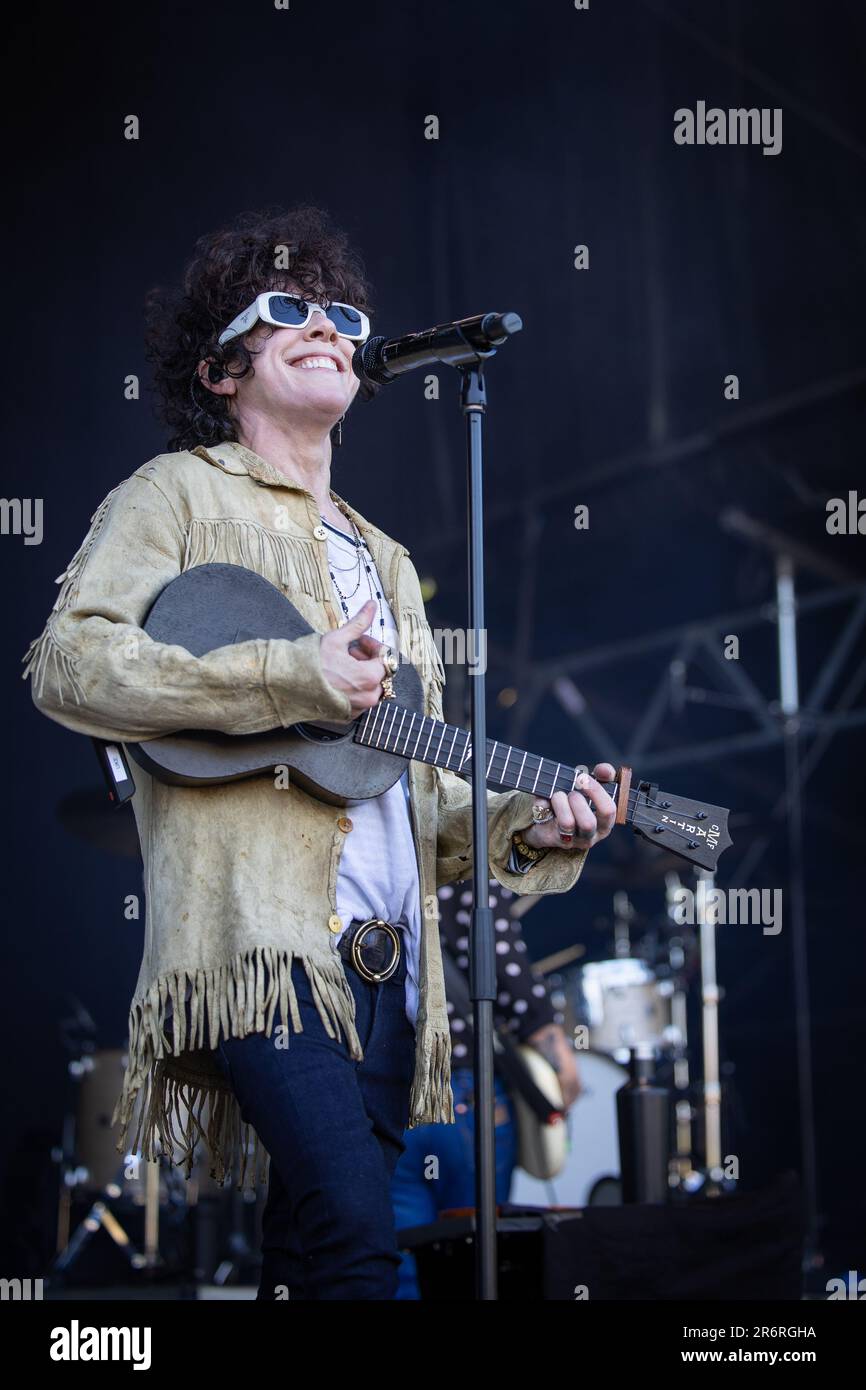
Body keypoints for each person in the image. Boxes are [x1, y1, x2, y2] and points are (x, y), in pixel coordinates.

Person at [23, 206, 616, 1300]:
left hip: (391, 973)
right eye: (286, 308)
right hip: (265, 950)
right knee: (356, 1245)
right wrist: (289, 675)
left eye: (341, 313)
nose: (328, 327)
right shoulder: (175, 496)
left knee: (304, 1259)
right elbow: (69, 664)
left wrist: (524, 826)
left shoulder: (386, 561)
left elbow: (420, 805)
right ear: (218, 369)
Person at [391, 876, 581, 1298]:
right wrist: (560, 1060)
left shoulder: (369, 846)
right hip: (464, 1092)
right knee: (474, 1267)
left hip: (389, 1093)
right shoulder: (461, 850)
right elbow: (506, 971)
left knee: (399, 1269)